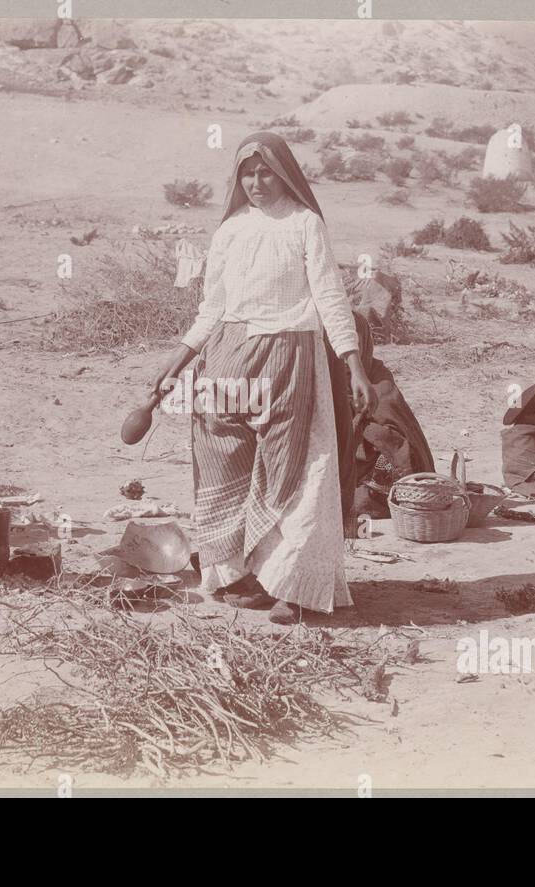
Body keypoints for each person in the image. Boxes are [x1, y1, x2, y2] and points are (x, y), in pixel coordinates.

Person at [149, 132, 377, 625]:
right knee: (221, 463)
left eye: (265, 171)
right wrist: (180, 357)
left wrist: (353, 362)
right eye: (246, 174)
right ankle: (236, 574)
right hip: (228, 356)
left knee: (295, 471)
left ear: (285, 173)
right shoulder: (230, 230)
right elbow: (213, 307)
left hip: (290, 356)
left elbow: (330, 298)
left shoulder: (304, 225)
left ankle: (292, 586)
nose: (256, 182)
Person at [349, 312, 436, 518]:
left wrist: (365, 429)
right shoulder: (326, 378)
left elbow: (395, 427)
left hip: (380, 465)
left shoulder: (378, 376)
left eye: (356, 343)